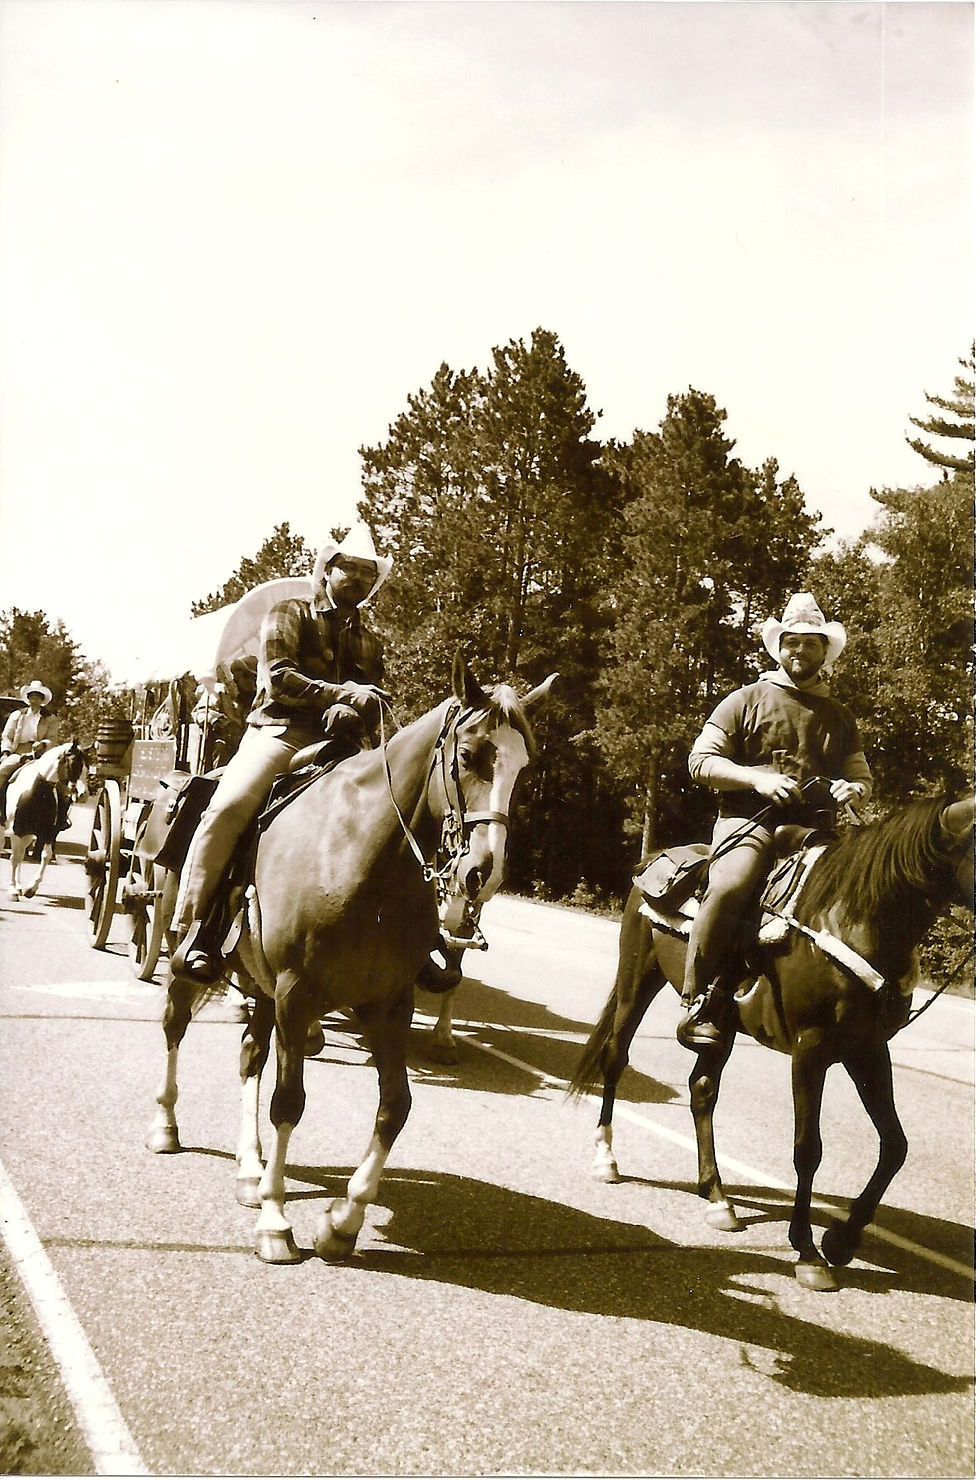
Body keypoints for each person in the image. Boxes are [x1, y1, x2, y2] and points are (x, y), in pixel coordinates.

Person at [170, 521, 393, 984]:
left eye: (368, 573)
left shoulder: (371, 642)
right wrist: (342, 694)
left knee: (399, 815)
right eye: (349, 568)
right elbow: (280, 679)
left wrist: (360, 711)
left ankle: (410, 938)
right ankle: (196, 929)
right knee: (228, 807)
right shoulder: (290, 613)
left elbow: (375, 698)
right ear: (327, 570)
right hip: (281, 732)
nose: (358, 579)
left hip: (345, 747)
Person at [676, 592, 873, 1050]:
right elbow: (700, 761)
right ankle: (699, 999)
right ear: (778, 647)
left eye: (810, 643)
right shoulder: (745, 699)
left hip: (816, 832)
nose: (799, 651)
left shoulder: (840, 716)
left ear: (825, 652)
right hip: (750, 823)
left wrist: (855, 789)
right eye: (791, 642)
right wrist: (753, 779)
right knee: (731, 885)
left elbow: (861, 774)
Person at [0, 680, 60, 813]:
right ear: (28, 698)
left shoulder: (49, 718)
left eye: (38, 697)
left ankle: (60, 815)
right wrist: (6, 752)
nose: (34, 700)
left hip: (41, 755)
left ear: (42, 700)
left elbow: (52, 738)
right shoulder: (17, 715)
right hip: (19, 752)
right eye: (32, 697)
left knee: (59, 778)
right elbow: (7, 736)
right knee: (2, 770)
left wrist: (43, 744)